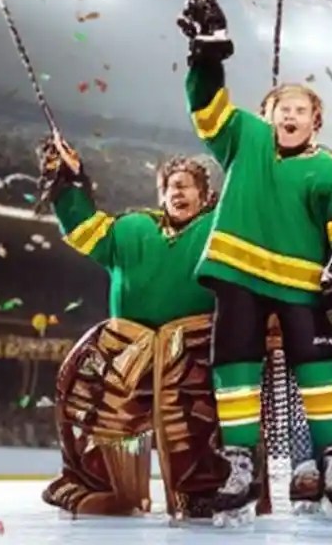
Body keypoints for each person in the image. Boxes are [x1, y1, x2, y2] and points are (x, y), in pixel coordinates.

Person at [176, 0, 332, 525]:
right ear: (264, 114)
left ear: (316, 123)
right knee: (235, 366)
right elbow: (206, 106)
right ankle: (240, 465)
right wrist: (207, 57)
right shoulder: (243, 136)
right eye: (280, 108)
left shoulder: (327, 170)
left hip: (303, 282)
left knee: (318, 371)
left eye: (300, 110)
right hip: (239, 273)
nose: (289, 114)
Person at [38, 146, 228, 521]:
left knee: (197, 421)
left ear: (206, 196)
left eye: (187, 185)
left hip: (196, 349)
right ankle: (101, 487)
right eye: (171, 186)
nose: (178, 191)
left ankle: (203, 492)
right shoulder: (130, 229)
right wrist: (69, 180)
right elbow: (82, 227)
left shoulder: (220, 228)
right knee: (93, 403)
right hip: (126, 349)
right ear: (161, 195)